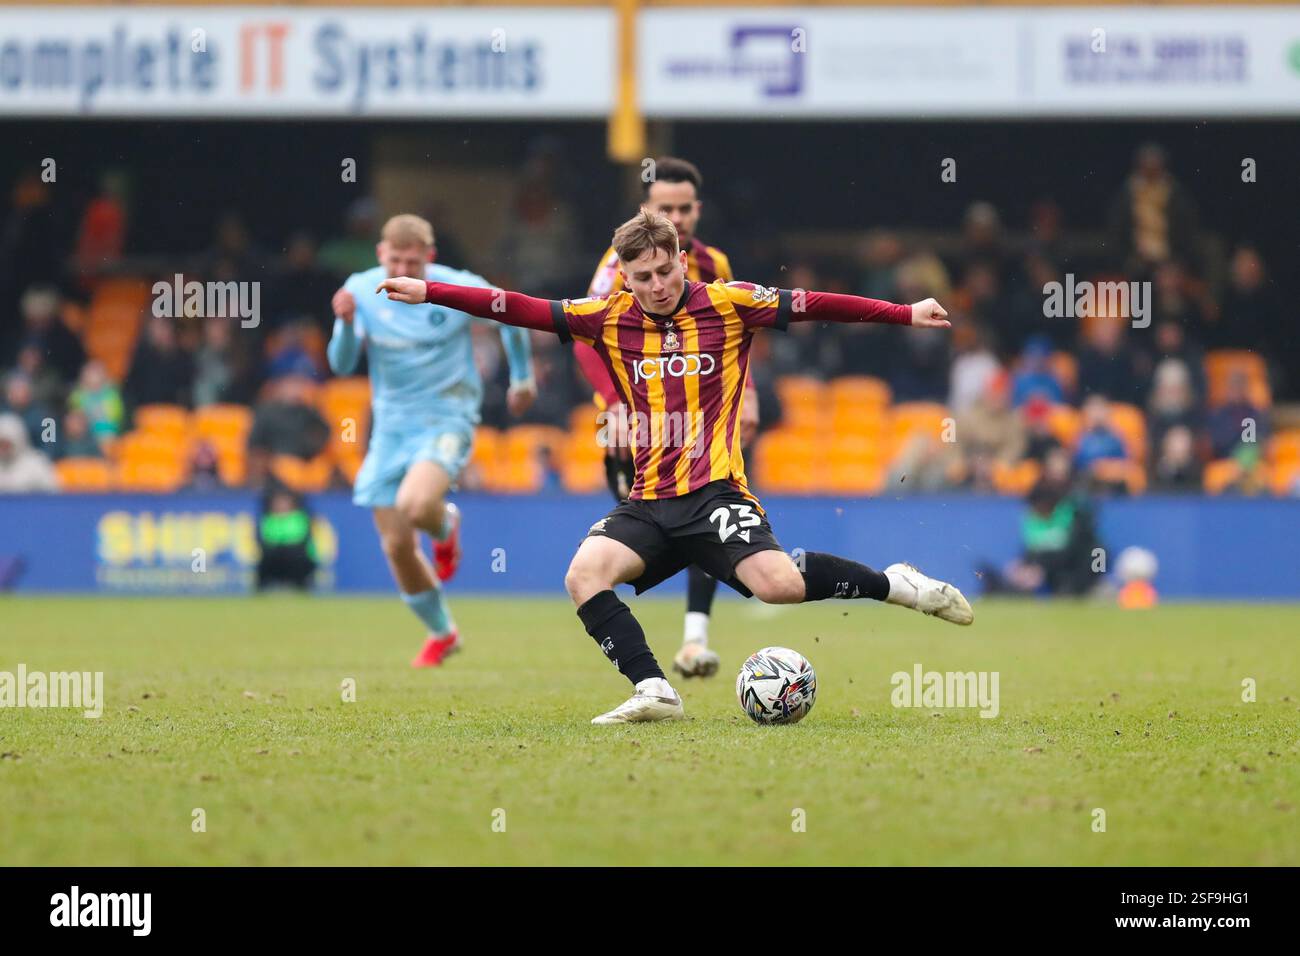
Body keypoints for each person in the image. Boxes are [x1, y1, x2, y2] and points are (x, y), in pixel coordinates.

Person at [377, 210, 972, 724]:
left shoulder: (729, 302)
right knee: (583, 576)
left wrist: (904, 312)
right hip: (649, 502)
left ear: (682, 259)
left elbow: (815, 304)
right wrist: (430, 291)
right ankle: (653, 689)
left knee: (778, 587)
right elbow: (522, 309)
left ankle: (898, 585)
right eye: (642, 277)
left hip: (716, 494)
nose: (657, 285)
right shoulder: (607, 316)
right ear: (625, 276)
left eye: (666, 270)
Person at [329, 214, 536, 667]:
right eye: (394, 260)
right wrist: (344, 325)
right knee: (397, 546)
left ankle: (445, 523)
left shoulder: (456, 286)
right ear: (380, 255)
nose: (402, 270)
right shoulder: (361, 289)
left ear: (430, 258)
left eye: (412, 262)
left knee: (416, 505)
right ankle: (443, 632)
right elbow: (342, 365)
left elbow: (509, 316)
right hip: (390, 429)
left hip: (447, 416)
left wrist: (521, 377)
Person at [578, 156, 757, 680]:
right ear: (645, 211)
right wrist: (613, 403)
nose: (676, 218)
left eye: (684, 208)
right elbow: (586, 342)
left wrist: (750, 396)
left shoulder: (713, 263)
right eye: (665, 208)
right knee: (649, 532)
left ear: (697, 210)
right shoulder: (619, 265)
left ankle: (693, 640)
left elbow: (738, 332)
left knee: (707, 503)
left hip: (700, 423)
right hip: (633, 425)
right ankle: (645, 662)